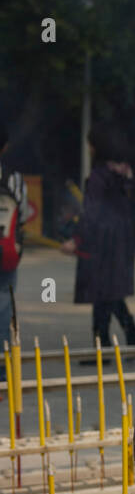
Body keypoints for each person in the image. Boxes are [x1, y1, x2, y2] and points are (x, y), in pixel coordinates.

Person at [61, 125, 135, 352]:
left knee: (104, 293)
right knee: (109, 293)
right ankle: (121, 339)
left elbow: (91, 214)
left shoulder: (98, 177)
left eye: (90, 144)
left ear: (97, 146)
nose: (88, 148)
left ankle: (105, 345)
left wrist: (76, 240)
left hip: (100, 244)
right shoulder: (124, 172)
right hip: (120, 241)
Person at [0, 122, 26, 340]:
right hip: (6, 250)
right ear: (5, 146)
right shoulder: (14, 179)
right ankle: (2, 365)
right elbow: (23, 216)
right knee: (5, 303)